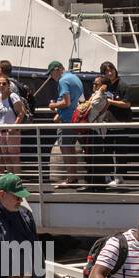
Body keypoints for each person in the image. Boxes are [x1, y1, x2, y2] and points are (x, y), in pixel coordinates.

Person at [45, 60, 83, 188]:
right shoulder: (75, 78)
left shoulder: (63, 81)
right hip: (76, 119)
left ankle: (71, 179)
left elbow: (66, 102)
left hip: (67, 121)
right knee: (71, 148)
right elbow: (79, 100)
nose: (51, 77)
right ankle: (73, 177)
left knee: (65, 148)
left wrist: (53, 105)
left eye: (51, 74)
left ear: (57, 69)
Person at [0, 75, 25, 173]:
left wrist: (14, 127)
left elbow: (21, 112)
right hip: (2, 132)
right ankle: (10, 180)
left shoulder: (13, 96)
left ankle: (16, 181)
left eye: (4, 83)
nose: (1, 85)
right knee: (6, 157)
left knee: (14, 157)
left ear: (8, 85)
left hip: (12, 132)